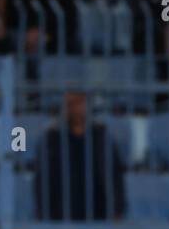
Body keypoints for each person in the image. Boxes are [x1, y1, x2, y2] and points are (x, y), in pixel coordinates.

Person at [34, 91, 127, 221]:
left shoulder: (101, 136)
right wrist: (41, 211)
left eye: (79, 103)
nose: (75, 108)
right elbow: (42, 178)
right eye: (70, 104)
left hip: (98, 215)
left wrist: (118, 209)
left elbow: (115, 175)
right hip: (60, 216)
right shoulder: (52, 138)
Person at [6, 0, 78, 55]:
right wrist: (30, 32)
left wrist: (48, 35)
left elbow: (70, 21)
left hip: (53, 37)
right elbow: (12, 13)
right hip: (22, 32)